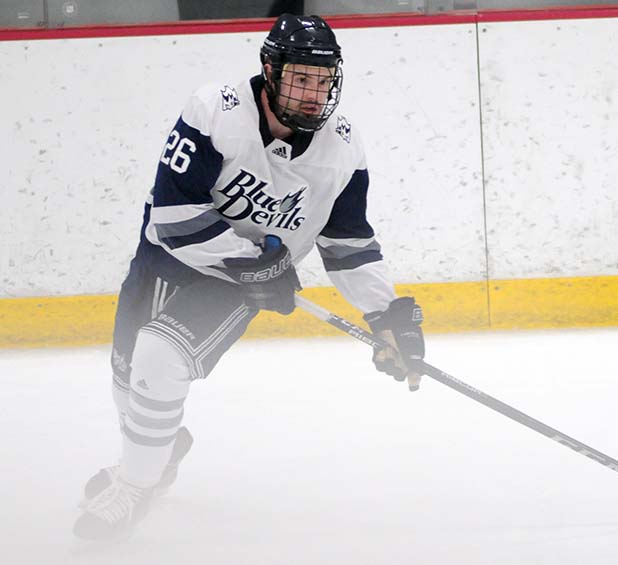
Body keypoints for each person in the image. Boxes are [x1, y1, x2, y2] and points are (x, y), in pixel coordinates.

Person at [73, 14, 425, 540]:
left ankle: (135, 484)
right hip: (167, 260)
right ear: (270, 69)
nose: (313, 94)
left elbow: (348, 243)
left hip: (237, 285)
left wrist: (386, 313)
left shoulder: (343, 147)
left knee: (158, 358)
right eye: (300, 78)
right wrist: (254, 260)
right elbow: (173, 217)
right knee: (129, 380)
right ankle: (163, 449)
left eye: (323, 80)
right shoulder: (215, 110)